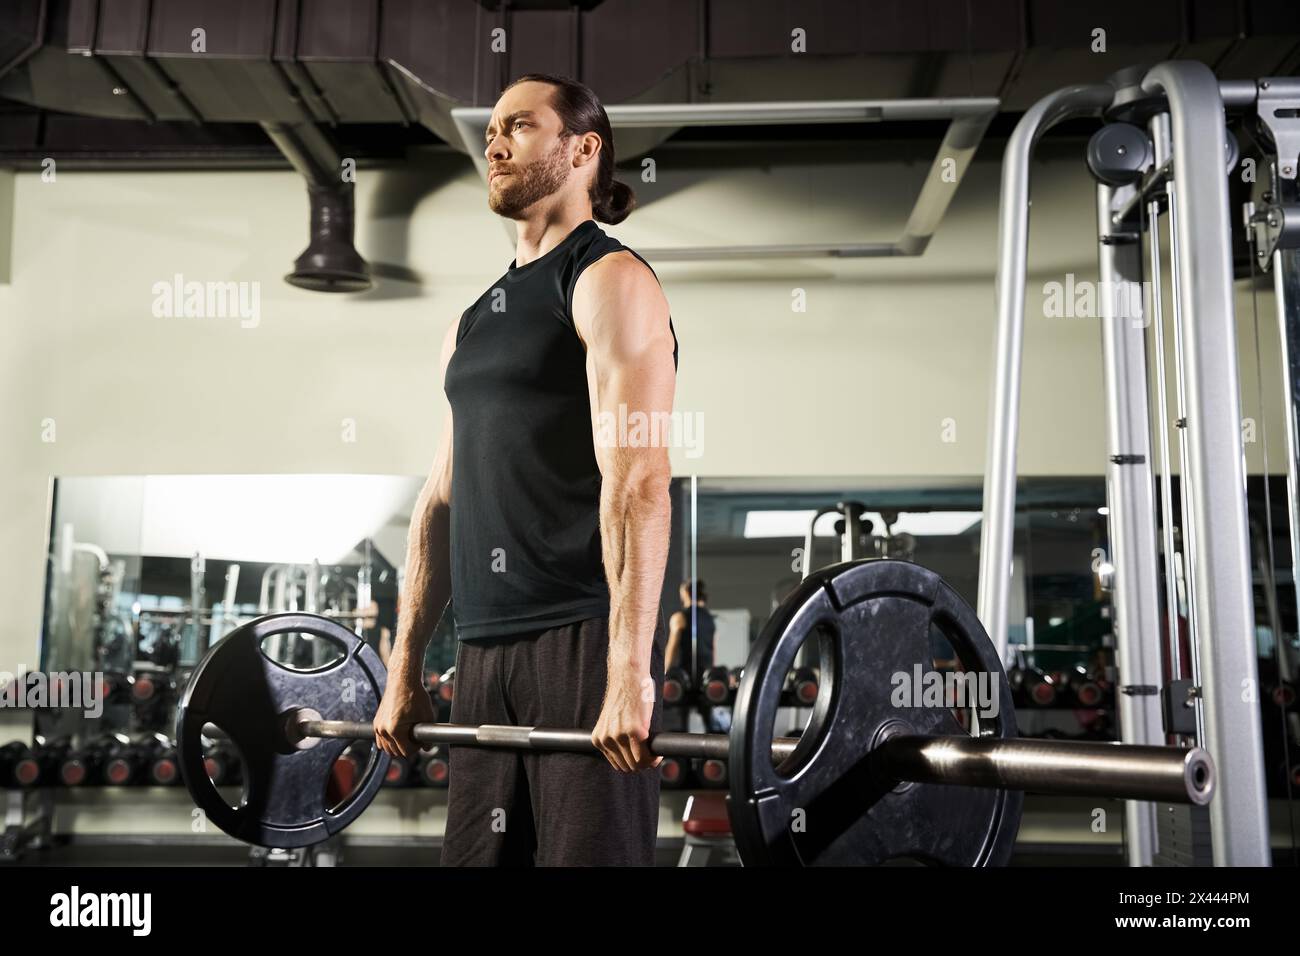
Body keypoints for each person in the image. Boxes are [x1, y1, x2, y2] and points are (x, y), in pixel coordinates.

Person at [372, 73, 678, 866]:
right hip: (482, 651)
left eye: (520, 125)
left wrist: (628, 670)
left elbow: (639, 478)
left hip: (581, 638)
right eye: (490, 131)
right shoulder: (469, 325)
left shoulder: (609, 280)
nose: (493, 142)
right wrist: (405, 666)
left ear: (583, 151)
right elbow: (440, 501)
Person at [665, 579, 725, 732]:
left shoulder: (679, 617)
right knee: (709, 723)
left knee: (683, 722)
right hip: (705, 676)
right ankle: (713, 753)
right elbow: (713, 650)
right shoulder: (711, 620)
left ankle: (685, 754)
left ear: (685, 594)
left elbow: (672, 648)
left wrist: (664, 674)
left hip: (685, 676)